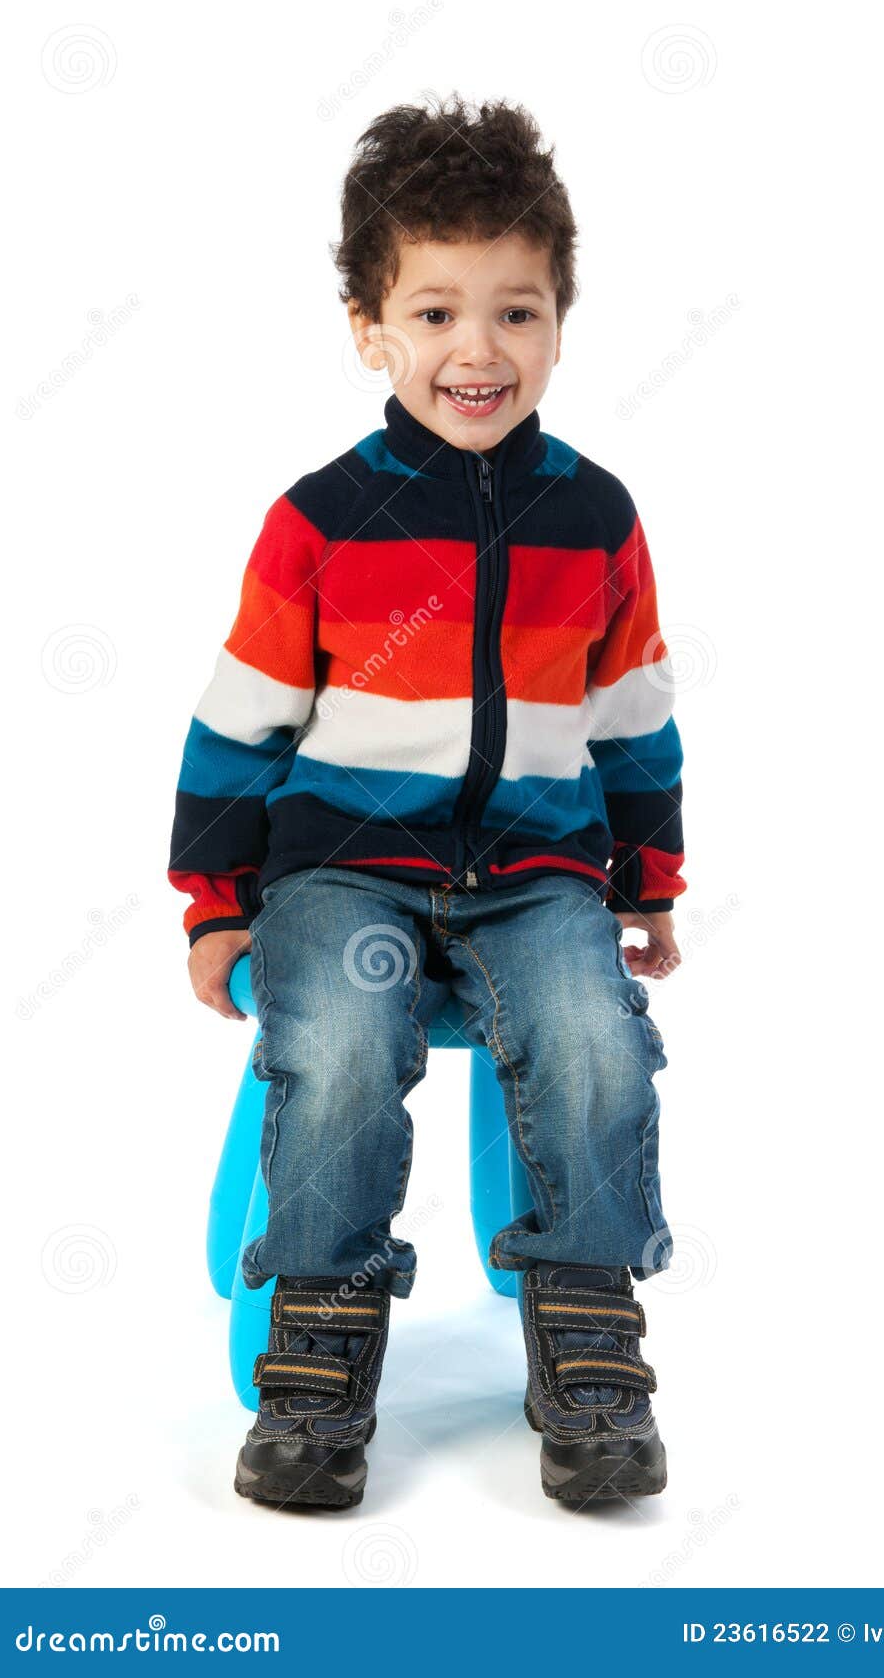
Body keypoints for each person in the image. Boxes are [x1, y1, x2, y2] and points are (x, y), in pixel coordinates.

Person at [169, 91, 687, 1510]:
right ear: (369, 327)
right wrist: (219, 905)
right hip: (346, 871)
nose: (480, 350)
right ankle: (321, 1338)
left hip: (538, 874)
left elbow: (635, 714)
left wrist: (646, 881)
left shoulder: (595, 517)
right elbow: (236, 727)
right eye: (439, 311)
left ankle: (585, 1327)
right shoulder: (323, 519)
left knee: (593, 1039)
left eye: (518, 313)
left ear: (561, 325)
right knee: (334, 1038)